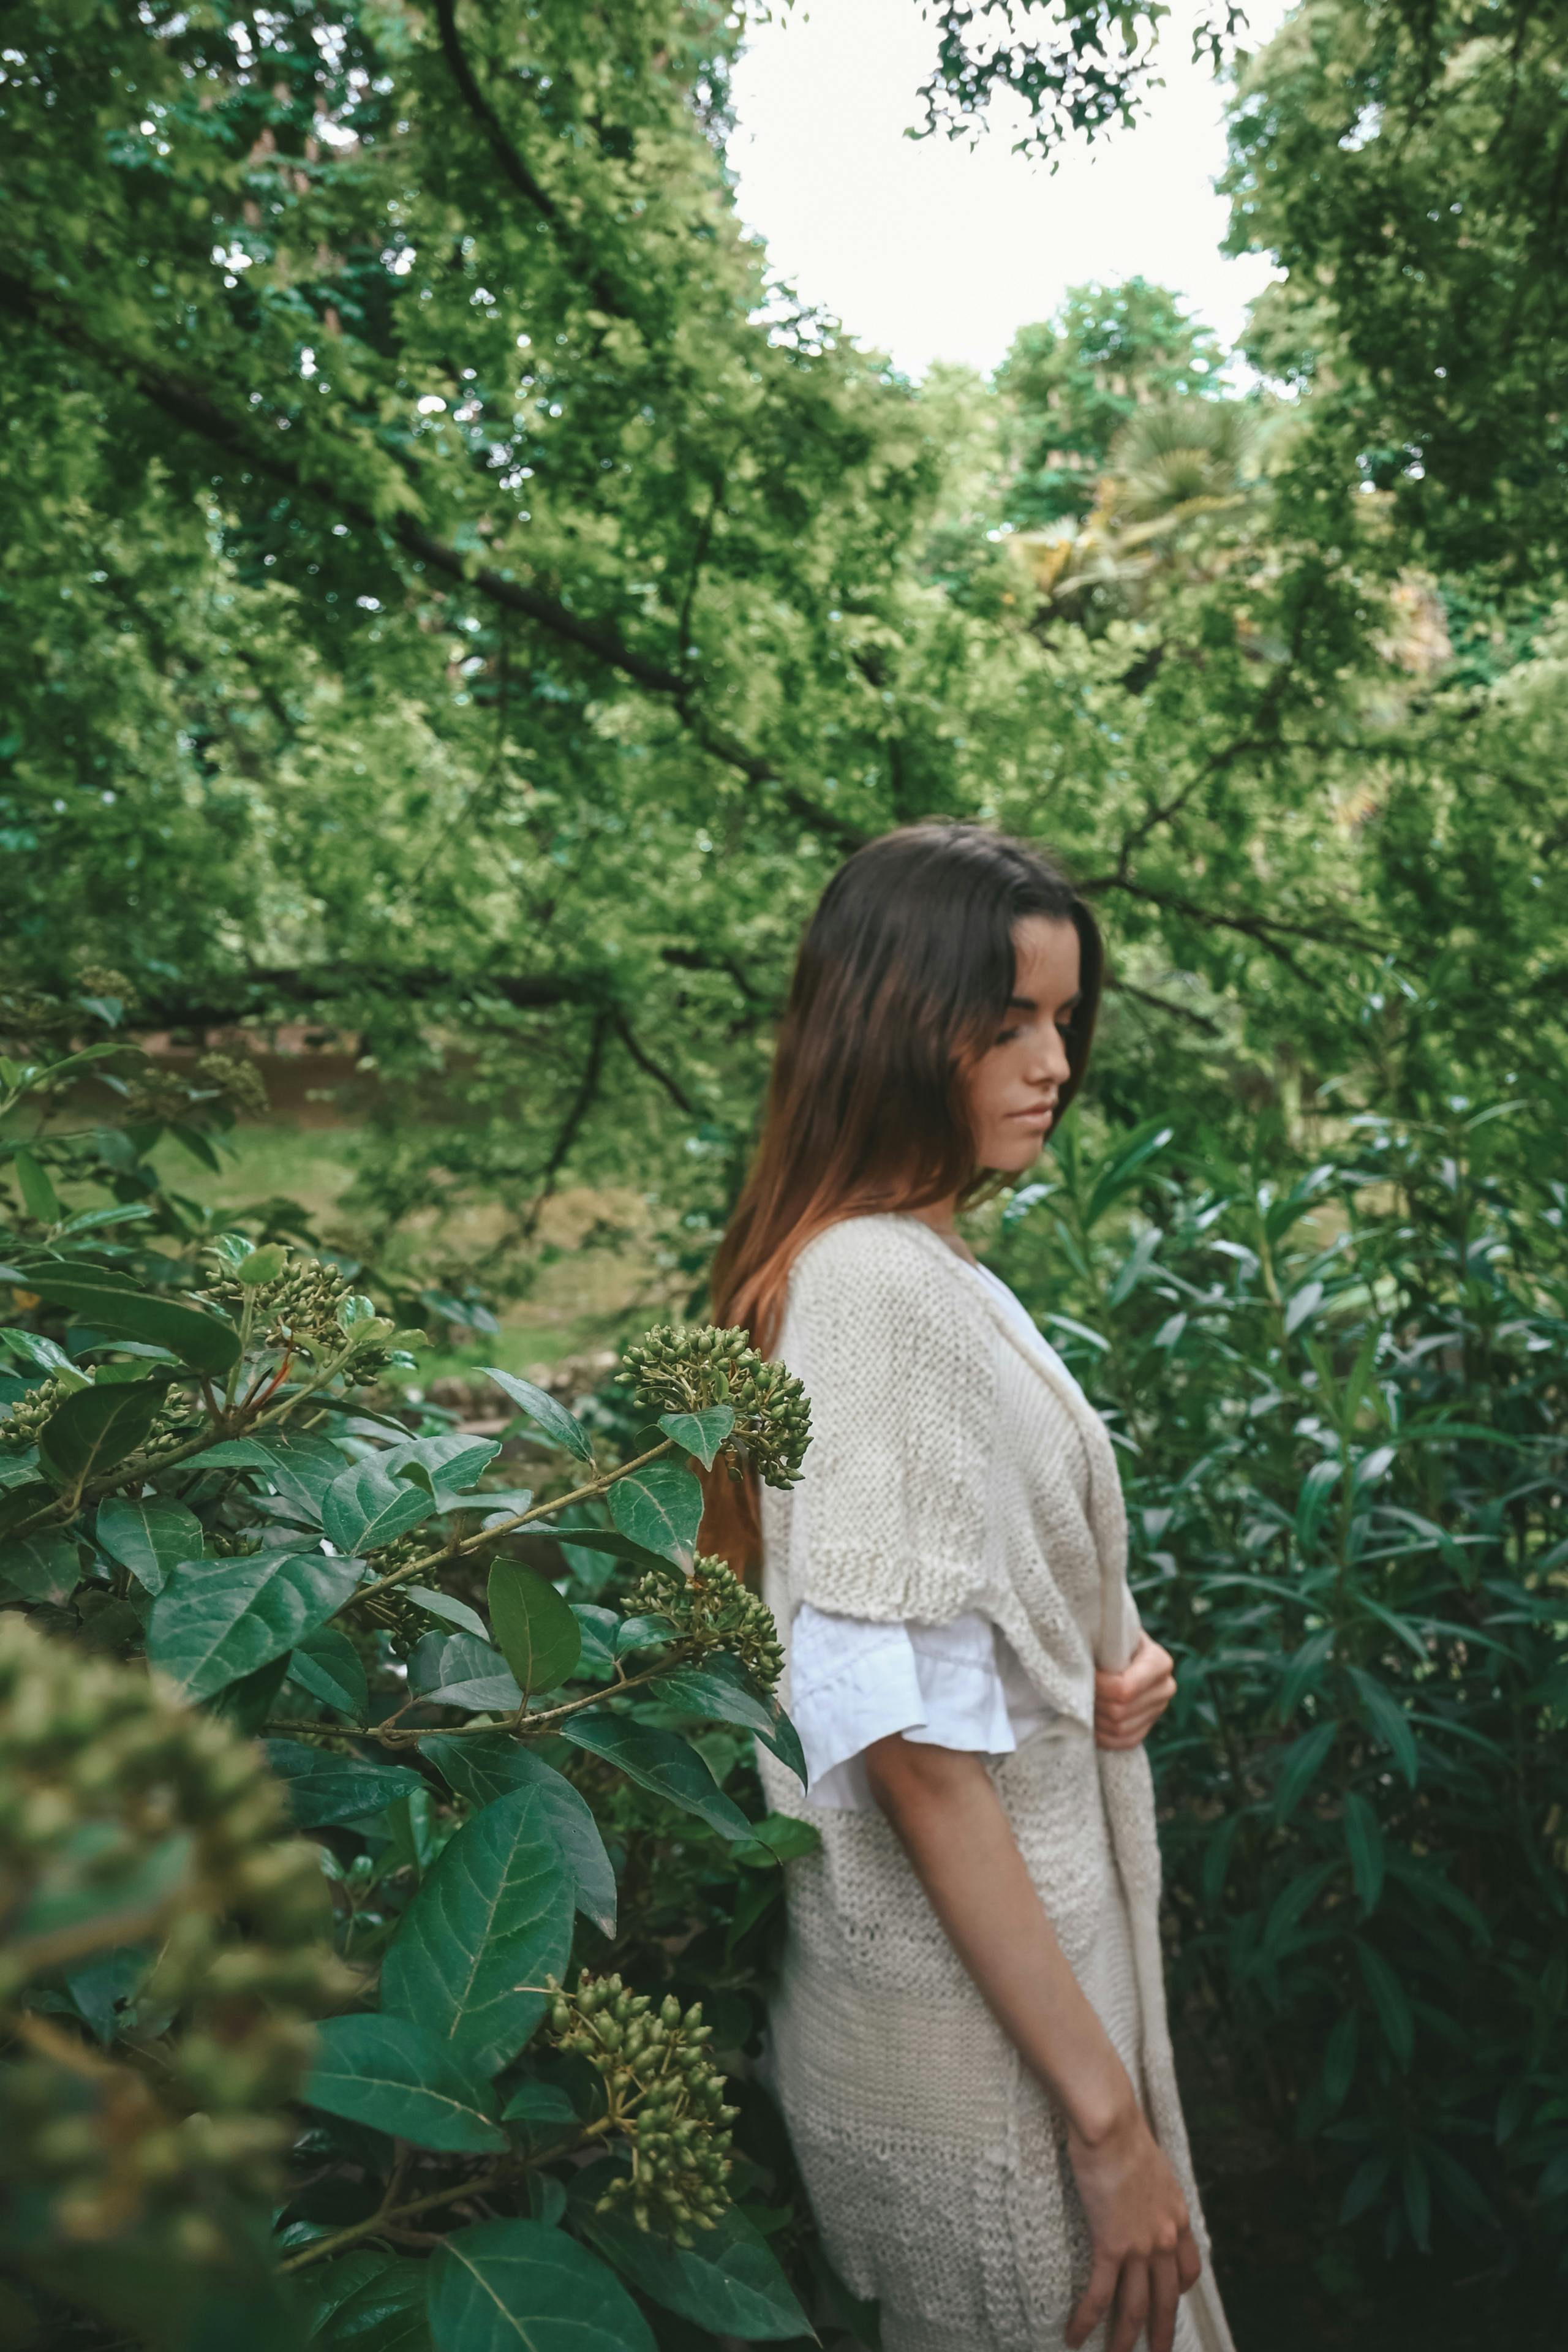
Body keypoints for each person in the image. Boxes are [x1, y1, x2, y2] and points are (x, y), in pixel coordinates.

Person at [709, 824, 1235, 2352]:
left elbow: (938, 1638)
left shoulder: (900, 1267)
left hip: (997, 2027)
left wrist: (1097, 1671)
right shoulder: (877, 1289)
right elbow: (915, 1755)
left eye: (1064, 1019)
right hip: (998, 2078)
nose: (1053, 1059)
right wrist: (1104, 2130)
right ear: (888, 1022)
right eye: (1006, 1021)